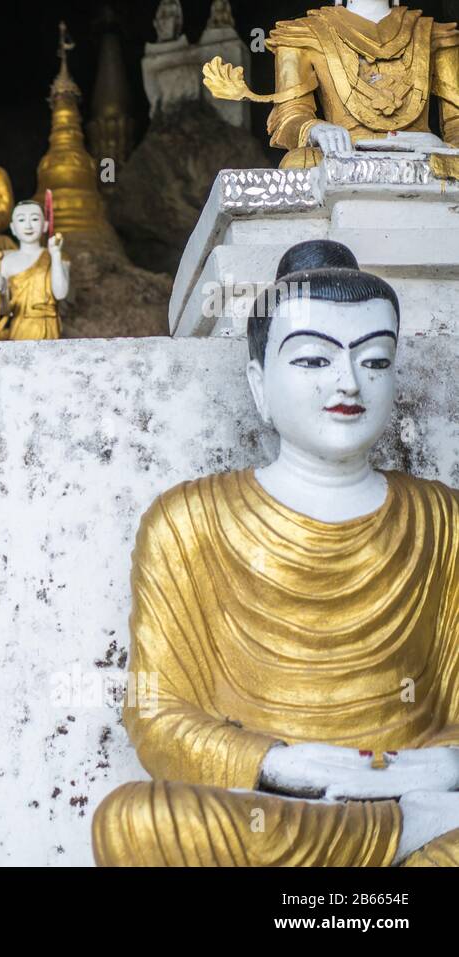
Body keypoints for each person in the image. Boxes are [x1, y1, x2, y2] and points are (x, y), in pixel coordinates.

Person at [93, 240, 459, 866]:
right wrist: (282, 765)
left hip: (417, 797)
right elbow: (156, 715)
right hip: (276, 808)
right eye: (315, 360)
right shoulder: (188, 521)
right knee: (136, 819)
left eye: (375, 361)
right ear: (260, 385)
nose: (348, 383)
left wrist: (422, 768)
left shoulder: (442, 519)